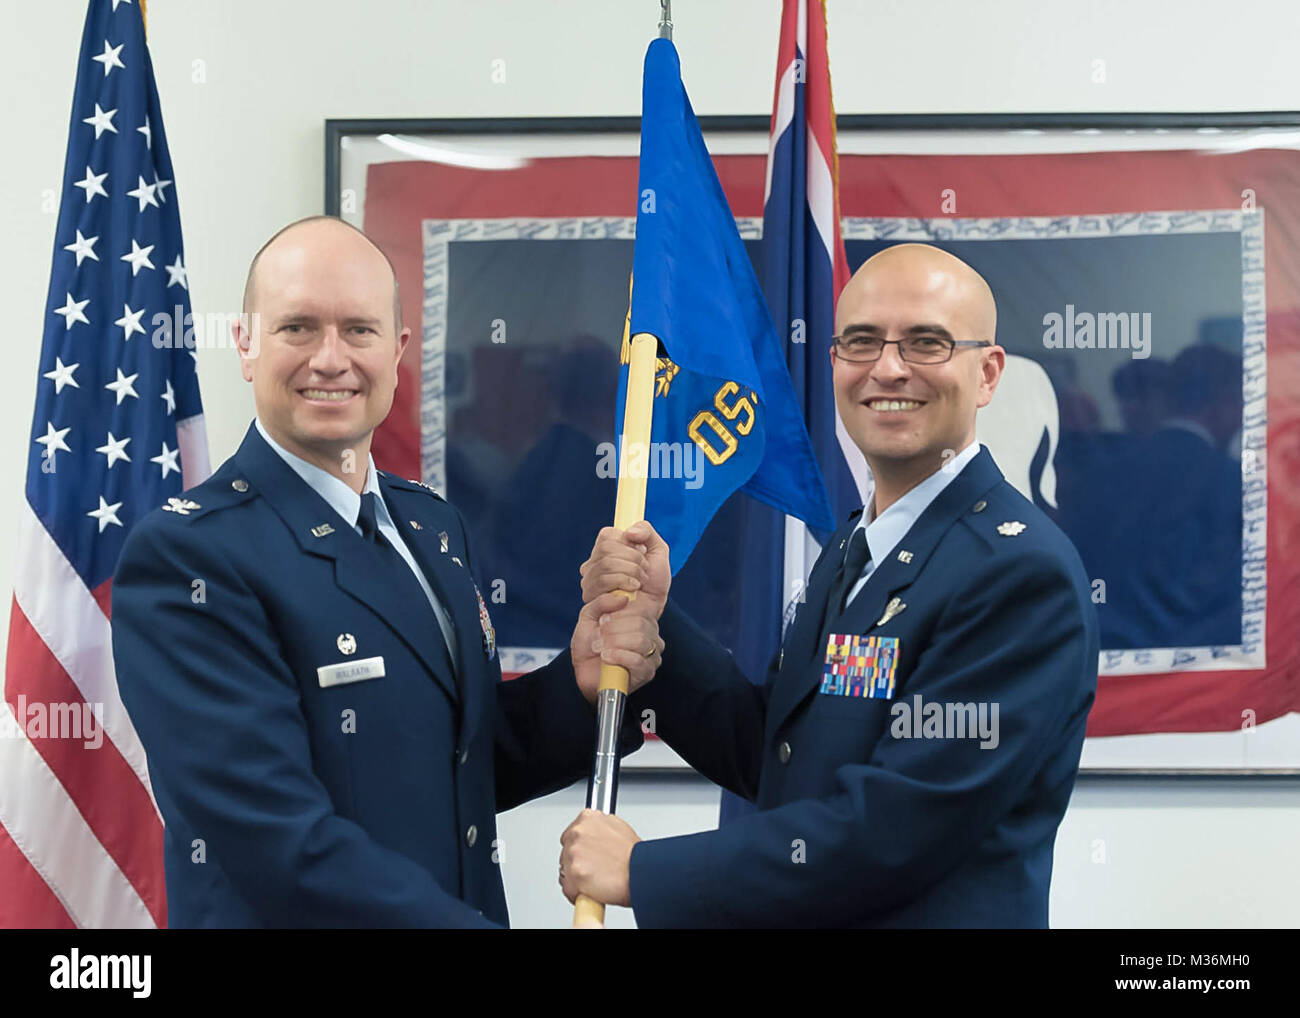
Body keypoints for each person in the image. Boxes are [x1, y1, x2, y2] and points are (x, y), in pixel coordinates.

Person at [111, 216, 662, 928]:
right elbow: (280, 842)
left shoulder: (432, 525)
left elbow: (462, 758)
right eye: (298, 328)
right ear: (245, 344)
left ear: (398, 350)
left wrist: (579, 684)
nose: (331, 359)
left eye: (359, 330)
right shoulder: (188, 560)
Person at [559, 243, 1100, 928]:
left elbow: (894, 830)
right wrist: (654, 631)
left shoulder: (1018, 574)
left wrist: (645, 871)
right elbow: (782, 758)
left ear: (988, 373)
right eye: (862, 342)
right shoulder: (855, 545)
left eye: (927, 343)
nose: (889, 368)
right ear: (835, 363)